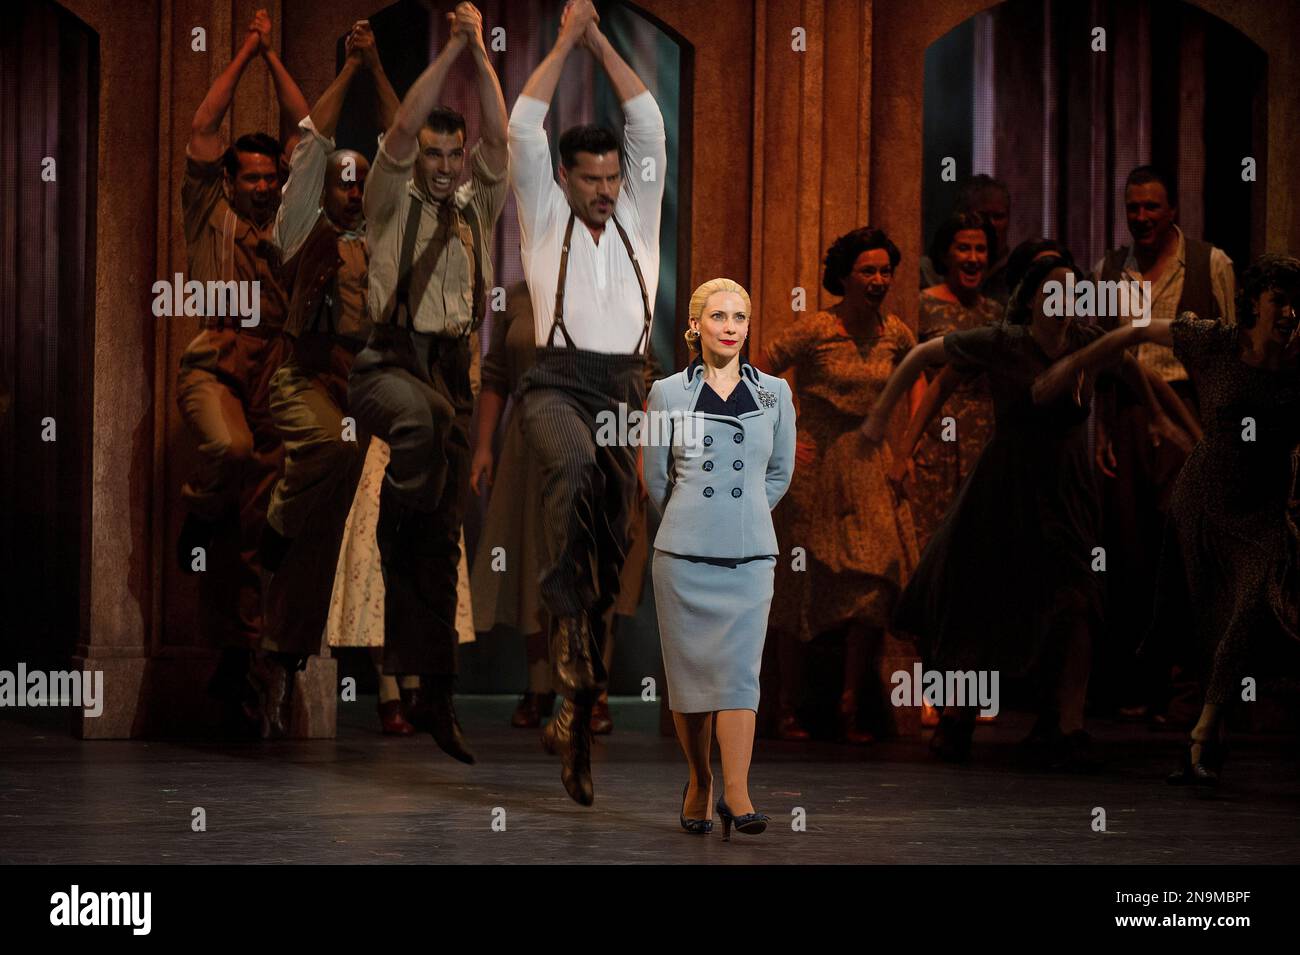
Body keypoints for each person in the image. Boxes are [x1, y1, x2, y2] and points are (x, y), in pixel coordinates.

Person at [866, 254, 1191, 767]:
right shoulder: (1004, 341)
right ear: (1033, 297)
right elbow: (942, 376)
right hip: (1006, 486)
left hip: (1066, 489)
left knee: (1077, 599)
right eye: (1053, 291)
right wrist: (903, 447)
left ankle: (1065, 723)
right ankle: (960, 717)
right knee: (982, 602)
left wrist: (1162, 421)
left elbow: (1134, 372)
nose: (1064, 302)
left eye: (1073, 292)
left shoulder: (1086, 340)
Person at [1032, 253, 1300, 785]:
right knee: (1211, 625)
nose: (1292, 312)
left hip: (1265, 508)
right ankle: (1211, 737)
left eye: (1298, 302)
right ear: (1254, 302)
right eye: (1281, 301)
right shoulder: (1215, 340)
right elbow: (1133, 334)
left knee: (1249, 610)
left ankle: (1201, 734)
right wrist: (1073, 365)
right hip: (1205, 500)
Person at [508, 0, 666, 805]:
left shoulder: (639, 215)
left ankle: (577, 692)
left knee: (611, 547)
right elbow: (523, 122)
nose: (605, 190)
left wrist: (602, 40)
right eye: (592, 179)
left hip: (625, 390)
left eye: (613, 178)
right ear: (565, 178)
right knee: (569, 471)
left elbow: (648, 123)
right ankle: (567, 665)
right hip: (555, 383)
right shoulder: (543, 211)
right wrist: (567, 41)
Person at [346, 1, 509, 764]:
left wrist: (480, 53)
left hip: (451, 367)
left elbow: (503, 138)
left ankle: (436, 691)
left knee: (443, 543)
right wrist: (448, 52)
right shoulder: (390, 195)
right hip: (388, 361)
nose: (445, 167)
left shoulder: (479, 205)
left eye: (455, 156)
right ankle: (391, 522)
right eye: (436, 157)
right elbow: (404, 131)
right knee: (418, 426)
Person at [254, 20, 400, 737]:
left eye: (359, 184)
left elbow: (404, 150)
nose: (349, 193)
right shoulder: (299, 229)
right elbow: (311, 139)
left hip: (362, 394)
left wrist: (376, 69)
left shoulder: (383, 237)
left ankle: (281, 669)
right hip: (305, 385)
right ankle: (274, 524)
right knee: (333, 459)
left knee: (325, 548)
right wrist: (347, 68)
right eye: (340, 183)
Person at [174, 8, 308, 736]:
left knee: (261, 522)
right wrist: (250, 47)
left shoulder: (289, 219)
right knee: (224, 454)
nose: (260, 187)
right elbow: (202, 123)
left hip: (276, 370)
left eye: (270, 178)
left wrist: (275, 63)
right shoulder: (208, 211)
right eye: (249, 176)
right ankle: (196, 509)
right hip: (215, 359)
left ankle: (243, 658)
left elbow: (311, 133)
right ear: (229, 179)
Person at [644, 279, 796, 838]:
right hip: (684, 555)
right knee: (690, 679)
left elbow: (779, 472)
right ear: (695, 327)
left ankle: (738, 790)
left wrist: (744, 514)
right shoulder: (666, 394)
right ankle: (700, 781)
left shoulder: (775, 393)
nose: (729, 327)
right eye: (718, 317)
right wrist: (695, 519)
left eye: (738, 317)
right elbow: (656, 479)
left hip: (749, 553)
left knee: (738, 673)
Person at [469, 283, 658, 733]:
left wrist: (643, 455)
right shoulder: (520, 294)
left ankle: (594, 690)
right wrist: (483, 447)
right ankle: (539, 686)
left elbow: (644, 380)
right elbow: (497, 375)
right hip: (531, 441)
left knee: (598, 560)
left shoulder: (620, 287)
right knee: (536, 558)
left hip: (606, 430)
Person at [761, 227, 920, 744]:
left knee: (876, 579)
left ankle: (852, 704)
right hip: (813, 461)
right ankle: (787, 708)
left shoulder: (895, 333)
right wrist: (779, 431)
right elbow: (757, 370)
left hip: (870, 460)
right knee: (798, 581)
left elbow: (921, 376)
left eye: (885, 271)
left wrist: (909, 450)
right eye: (867, 271)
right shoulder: (816, 329)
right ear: (846, 277)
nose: (878, 280)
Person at [1091, 166, 1235, 721]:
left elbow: (1229, 349)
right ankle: (1139, 682)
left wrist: (1221, 434)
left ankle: (1188, 688)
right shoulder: (1110, 270)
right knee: (1131, 550)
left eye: (1152, 207)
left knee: (1187, 545)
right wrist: (1103, 428)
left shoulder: (1209, 264)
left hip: (1187, 410)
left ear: (1173, 210)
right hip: (1129, 414)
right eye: (1133, 207)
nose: (1142, 217)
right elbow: (1100, 359)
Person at [908, 211, 1002, 548]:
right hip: (935, 438)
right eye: (964, 248)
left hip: (985, 438)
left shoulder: (994, 312)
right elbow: (912, 373)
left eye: (981, 249)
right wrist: (911, 441)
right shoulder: (922, 305)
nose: (974, 258)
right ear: (947, 254)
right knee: (930, 538)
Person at [920, 175, 1013, 304]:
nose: (991, 224)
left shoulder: (1018, 273)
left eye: (998, 217)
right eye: (982, 216)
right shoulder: (927, 272)